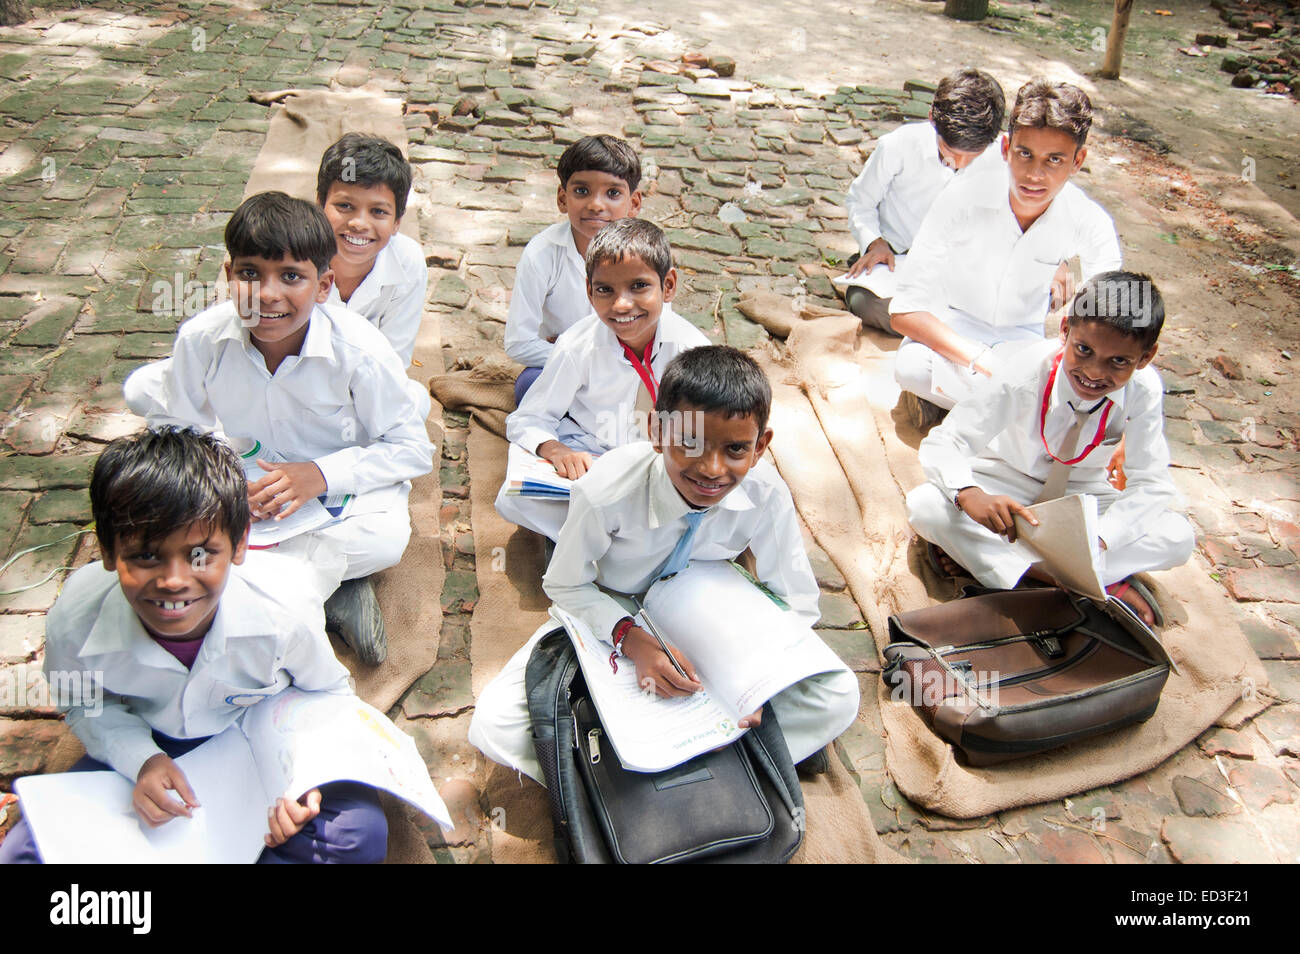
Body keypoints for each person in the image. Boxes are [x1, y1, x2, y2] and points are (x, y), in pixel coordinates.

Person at [0, 427, 387, 864]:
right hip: (155, 744)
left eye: (201, 555)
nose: (174, 581)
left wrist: (299, 778)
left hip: (259, 742)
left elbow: (328, 692)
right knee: (26, 853)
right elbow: (85, 705)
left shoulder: (285, 607)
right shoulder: (75, 617)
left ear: (240, 545)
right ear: (108, 553)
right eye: (146, 556)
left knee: (355, 834)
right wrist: (141, 760)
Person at [471, 347, 860, 781]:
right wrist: (631, 640)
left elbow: (796, 599)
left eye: (735, 449)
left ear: (761, 447)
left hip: (707, 601)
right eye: (689, 443)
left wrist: (758, 678)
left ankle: (674, 765)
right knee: (496, 725)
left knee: (837, 695)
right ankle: (713, 762)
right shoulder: (606, 489)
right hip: (614, 605)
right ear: (656, 431)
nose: (712, 469)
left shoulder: (767, 493)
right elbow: (565, 585)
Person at [144, 192, 433, 665]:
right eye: (250, 273)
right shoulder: (202, 340)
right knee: (169, 519)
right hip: (239, 487)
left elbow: (412, 451)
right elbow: (176, 431)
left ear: (323, 286)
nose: (268, 294)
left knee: (385, 539)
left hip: (337, 494)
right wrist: (226, 486)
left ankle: (276, 598)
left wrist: (317, 475)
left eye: (291, 277)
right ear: (228, 276)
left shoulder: (359, 349)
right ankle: (328, 594)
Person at [905, 271, 1195, 627]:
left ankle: (1020, 572)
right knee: (926, 507)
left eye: (1119, 361)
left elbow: (1150, 484)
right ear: (1065, 331)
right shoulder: (1028, 370)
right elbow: (947, 441)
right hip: (1009, 485)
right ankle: (1086, 584)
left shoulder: (1145, 391)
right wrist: (969, 494)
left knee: (1179, 537)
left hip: (1083, 495)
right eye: (1083, 350)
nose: (1093, 372)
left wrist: (1100, 540)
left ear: (1146, 357)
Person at [889, 79, 1121, 426]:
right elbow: (904, 312)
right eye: (1024, 154)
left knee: (1062, 392)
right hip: (952, 331)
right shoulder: (962, 198)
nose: (1034, 174)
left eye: (1054, 160)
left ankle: (957, 407)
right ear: (1006, 148)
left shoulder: (1089, 221)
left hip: (1022, 343)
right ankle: (1000, 415)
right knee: (911, 369)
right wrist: (981, 361)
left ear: (1077, 161)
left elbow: (1115, 318)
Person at [495, 218, 708, 540]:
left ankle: (602, 536)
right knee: (512, 502)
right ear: (588, 291)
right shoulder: (576, 344)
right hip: (590, 450)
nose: (622, 304)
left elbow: (705, 433)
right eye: (605, 290)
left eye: (639, 286)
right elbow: (529, 417)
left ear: (668, 286)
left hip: (662, 462)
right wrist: (556, 450)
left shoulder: (694, 351)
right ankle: (627, 537)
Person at [842, 67, 1005, 333]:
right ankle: (948, 331)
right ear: (932, 119)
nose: (958, 164)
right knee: (865, 303)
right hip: (894, 261)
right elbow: (860, 201)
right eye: (949, 152)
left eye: (971, 157)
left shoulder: (1003, 161)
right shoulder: (899, 146)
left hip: (958, 272)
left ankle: (936, 329)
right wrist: (876, 243)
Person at [503, 134, 643, 404]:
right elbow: (518, 342)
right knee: (529, 386)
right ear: (562, 198)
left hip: (626, 368)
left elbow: (658, 333)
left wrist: (601, 357)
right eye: (581, 191)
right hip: (564, 368)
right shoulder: (542, 254)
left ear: (634, 203)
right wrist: (576, 356)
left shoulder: (645, 256)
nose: (596, 204)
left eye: (613, 193)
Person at [316, 132, 427, 368]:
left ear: (397, 221)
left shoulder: (407, 261)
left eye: (378, 211)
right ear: (319, 204)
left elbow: (393, 361)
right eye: (344, 205)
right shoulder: (291, 254)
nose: (359, 223)